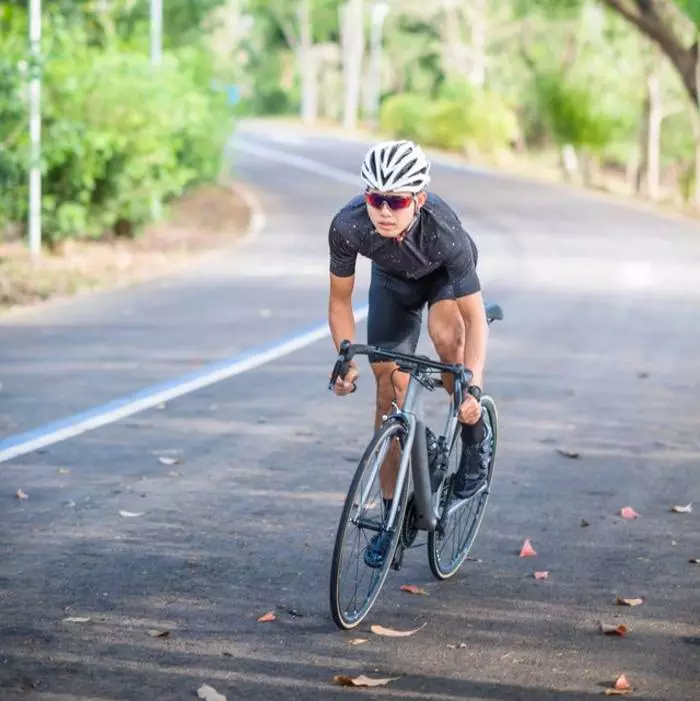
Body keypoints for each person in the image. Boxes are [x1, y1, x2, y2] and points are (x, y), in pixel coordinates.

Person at [327, 139, 491, 567]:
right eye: (375, 199)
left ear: (417, 199)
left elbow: (474, 321)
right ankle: (392, 520)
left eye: (395, 201)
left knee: (444, 334)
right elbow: (340, 302)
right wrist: (345, 359)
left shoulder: (444, 231)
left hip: (441, 280)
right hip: (393, 280)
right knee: (387, 385)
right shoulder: (349, 226)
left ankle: (474, 437)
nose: (383, 210)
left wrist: (473, 386)